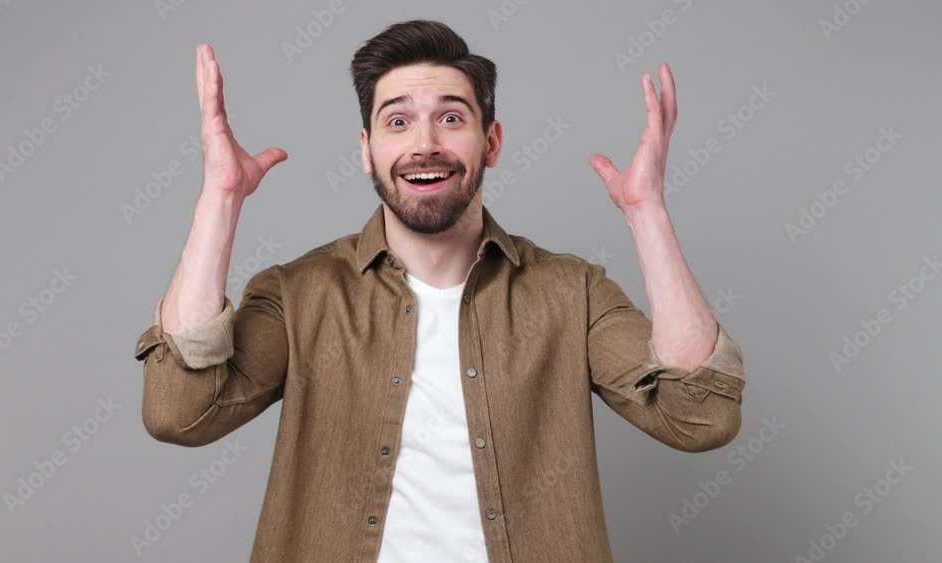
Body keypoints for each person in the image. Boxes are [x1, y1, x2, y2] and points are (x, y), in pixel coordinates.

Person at [133, 19, 746, 563]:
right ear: (367, 151)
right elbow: (178, 412)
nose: (424, 144)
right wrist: (220, 198)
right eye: (397, 121)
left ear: (491, 142)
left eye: (451, 118)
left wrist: (646, 212)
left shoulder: (572, 292)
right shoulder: (298, 294)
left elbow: (700, 417)